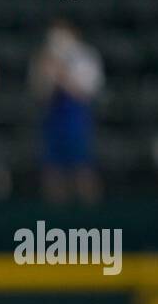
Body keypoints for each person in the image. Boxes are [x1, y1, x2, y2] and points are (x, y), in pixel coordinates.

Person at [29, 19, 104, 204]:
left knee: (82, 167)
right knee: (52, 169)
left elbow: (87, 91)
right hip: (52, 115)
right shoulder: (43, 58)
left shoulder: (86, 56)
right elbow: (38, 92)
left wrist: (62, 74)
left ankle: (90, 217)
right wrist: (47, 72)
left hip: (76, 115)